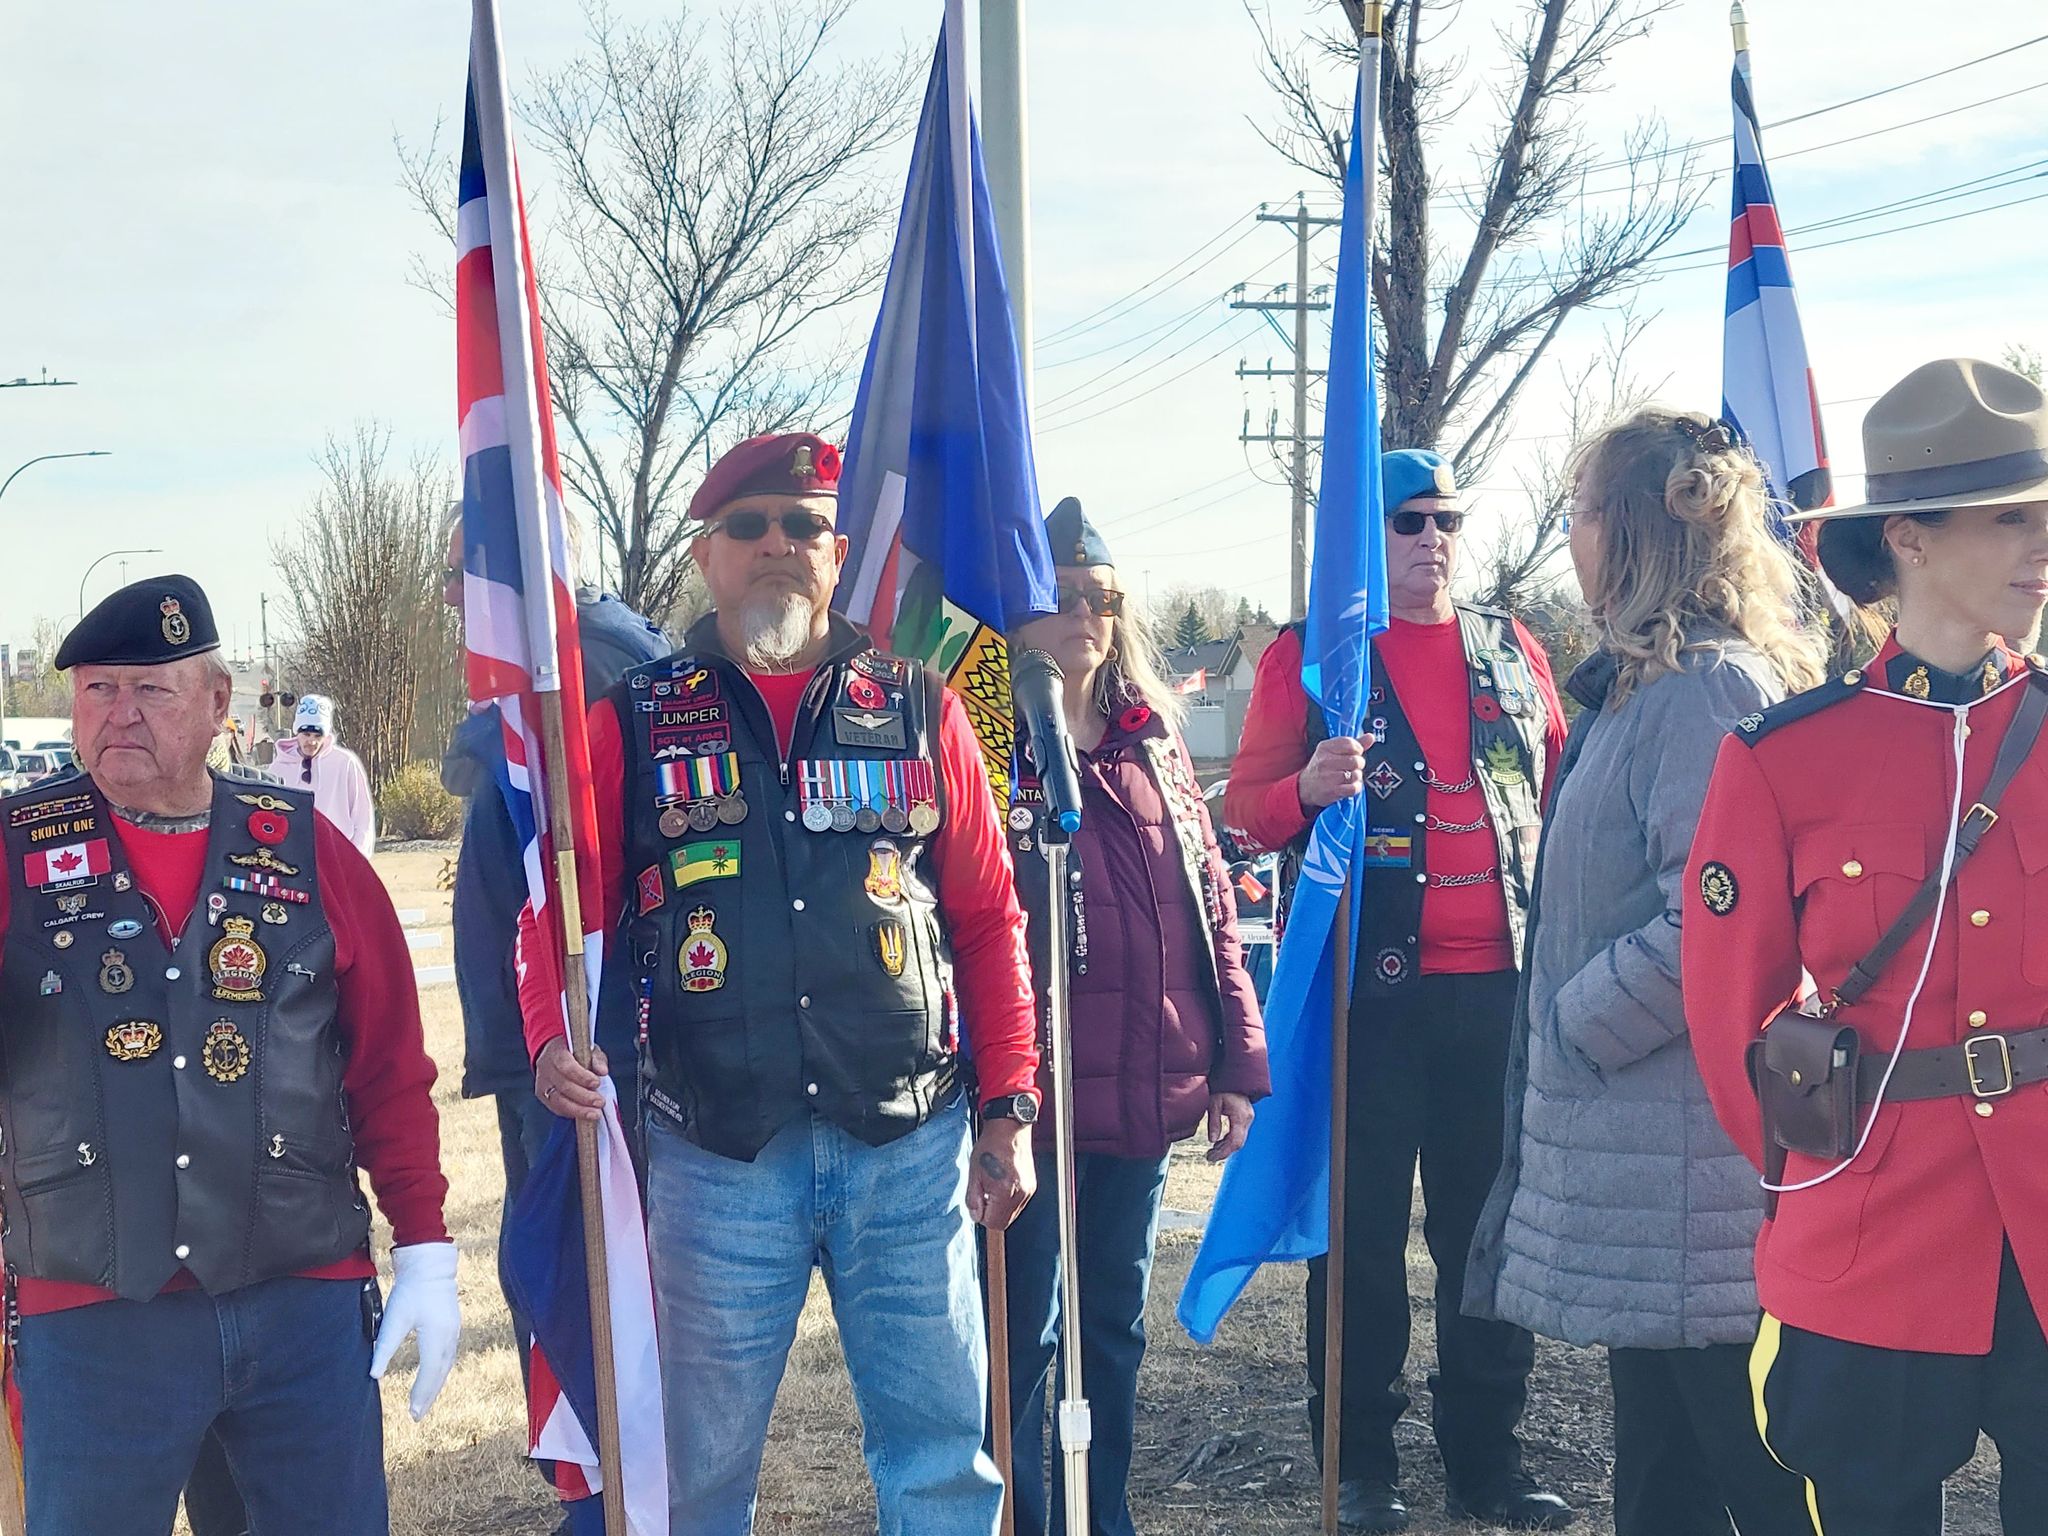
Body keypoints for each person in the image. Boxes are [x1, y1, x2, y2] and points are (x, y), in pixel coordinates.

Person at [531, 432, 1041, 1536]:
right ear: (705, 557)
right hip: (717, 1156)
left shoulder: (920, 704)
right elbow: (556, 909)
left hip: (906, 1147)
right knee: (696, 1473)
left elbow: (990, 920)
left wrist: (1009, 1108)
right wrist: (546, 1036)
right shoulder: (632, 718)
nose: (777, 546)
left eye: (802, 525)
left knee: (942, 1461)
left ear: (837, 551)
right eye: (747, 527)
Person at [2, 575, 457, 1535]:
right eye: (96, 690)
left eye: (150, 690)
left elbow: (388, 1065)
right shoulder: (15, 857)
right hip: (91, 1311)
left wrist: (423, 1241)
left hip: (300, 1304)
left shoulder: (308, 852)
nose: (118, 714)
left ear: (219, 705)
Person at [1684, 357, 2048, 1533]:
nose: (2041, 549)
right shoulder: (1782, 757)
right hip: (1871, 1219)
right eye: (2011, 522)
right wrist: (1817, 1173)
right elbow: (1728, 1018)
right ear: (1909, 540)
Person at [1462, 411, 1824, 1536]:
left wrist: (1576, 1022)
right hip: (1643, 1163)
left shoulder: (1703, 691)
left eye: (1575, 515)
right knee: (1661, 1468)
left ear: (1626, 531)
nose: (1565, 539)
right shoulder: (1639, 685)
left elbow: (1715, 921)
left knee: (1749, 1465)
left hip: (1687, 1168)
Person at [1225, 450, 1572, 1533]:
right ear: (1362, 537)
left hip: (1496, 1000)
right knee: (1360, 1239)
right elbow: (1243, 810)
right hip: (1365, 1007)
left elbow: (1557, 784)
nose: (1432, 540)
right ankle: (1357, 1464)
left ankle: (1486, 1461)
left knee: (1487, 1237)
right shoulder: (1314, 656)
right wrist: (1303, 787)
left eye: (1447, 520)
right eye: (1407, 521)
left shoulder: (1512, 648)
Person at [999, 497, 1271, 1536]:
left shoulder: (1154, 746)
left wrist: (1237, 1069)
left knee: (1109, 1329)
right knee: (1025, 1331)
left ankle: (1098, 1514)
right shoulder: (984, 746)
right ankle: (1026, 1517)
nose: (1081, 613)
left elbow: (1212, 911)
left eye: (1100, 598)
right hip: (1031, 1104)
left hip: (1147, 1096)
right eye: (1059, 596)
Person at [438, 510, 670, 1505]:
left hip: (591, 1051)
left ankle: (613, 1503)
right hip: (533, 1048)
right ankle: (594, 1494)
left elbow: (606, 861)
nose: (452, 595)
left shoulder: (594, 657)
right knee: (550, 1286)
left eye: (465, 572)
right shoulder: (521, 668)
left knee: (584, 1298)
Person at [271, 694, 377, 855]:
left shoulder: (345, 763)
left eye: (317, 736)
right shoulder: (278, 768)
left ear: (326, 735)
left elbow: (363, 816)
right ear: (297, 732)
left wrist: (358, 857)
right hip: (293, 857)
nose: (311, 742)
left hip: (338, 855)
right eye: (306, 734)